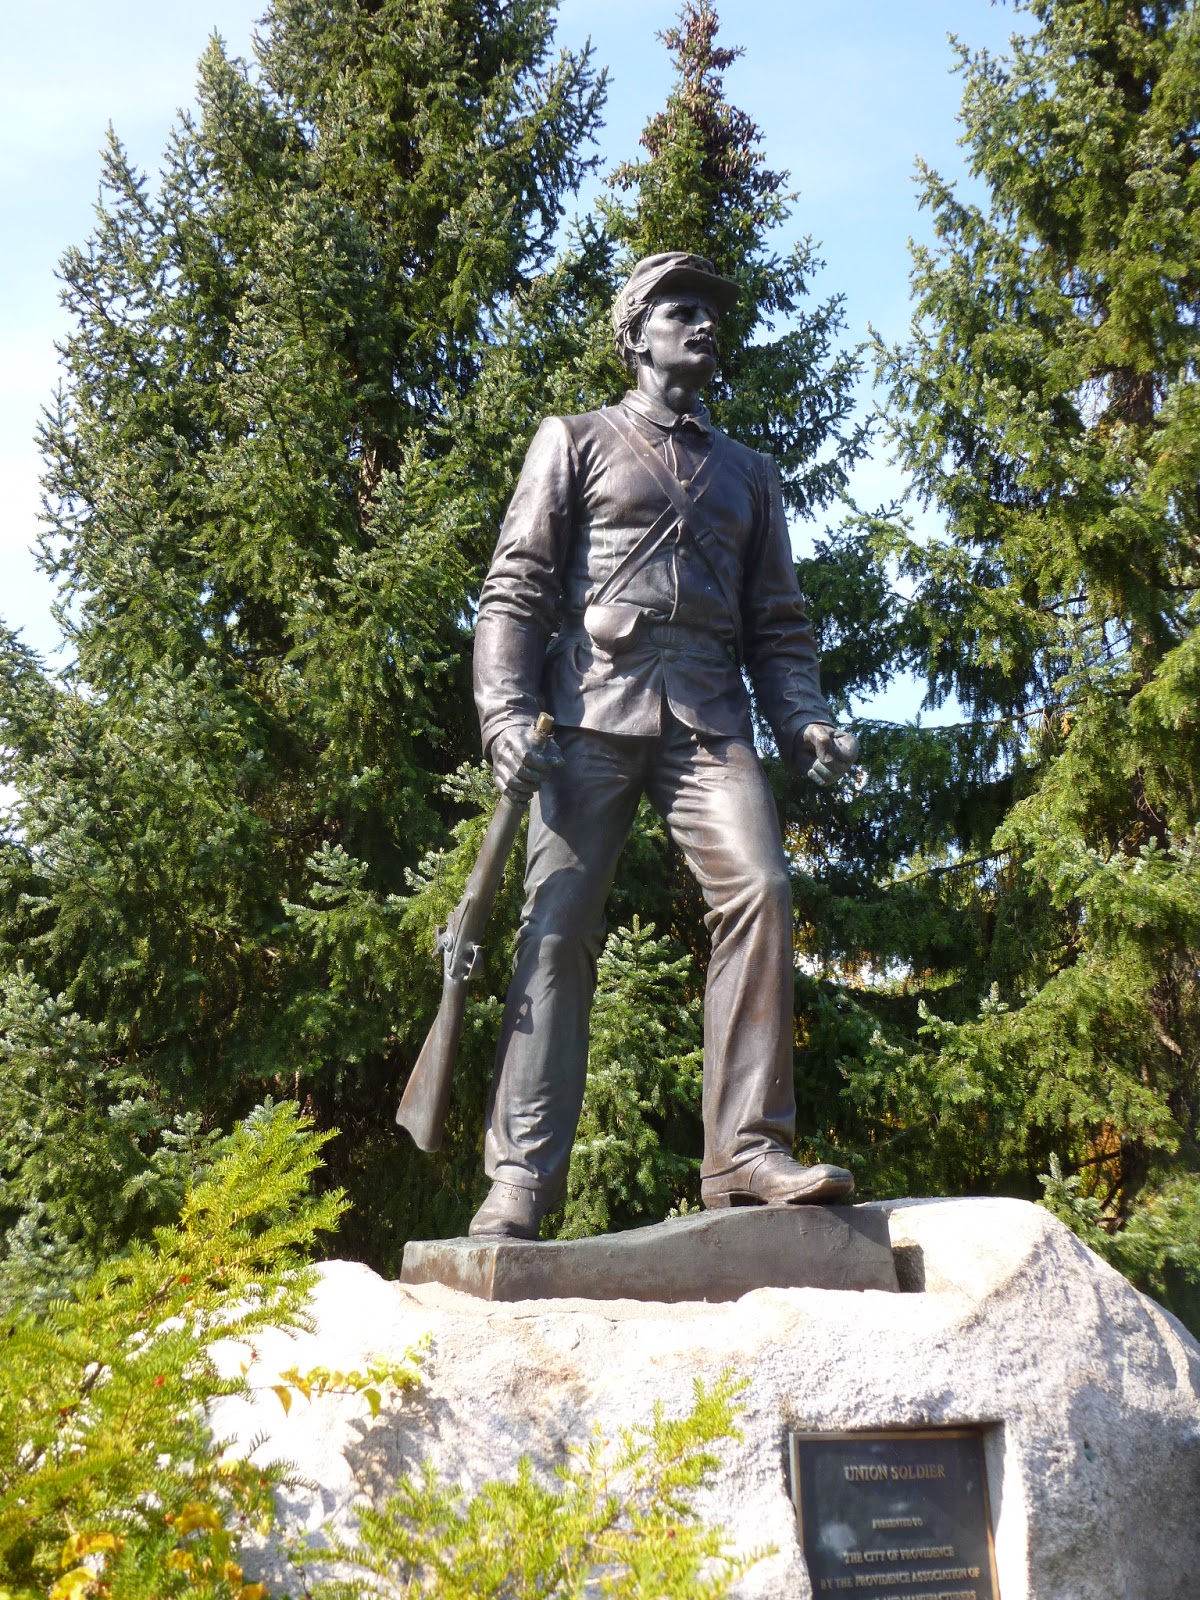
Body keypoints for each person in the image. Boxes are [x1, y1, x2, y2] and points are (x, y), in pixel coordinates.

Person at [469, 251, 858, 1240]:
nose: (704, 326)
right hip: (586, 713)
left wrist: (804, 718)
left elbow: (778, 625)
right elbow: (514, 590)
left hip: (708, 713)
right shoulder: (576, 440)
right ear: (636, 332)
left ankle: (746, 1151)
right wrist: (506, 715)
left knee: (762, 890)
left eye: (712, 313)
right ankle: (519, 1181)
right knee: (556, 933)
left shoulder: (751, 477)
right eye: (681, 310)